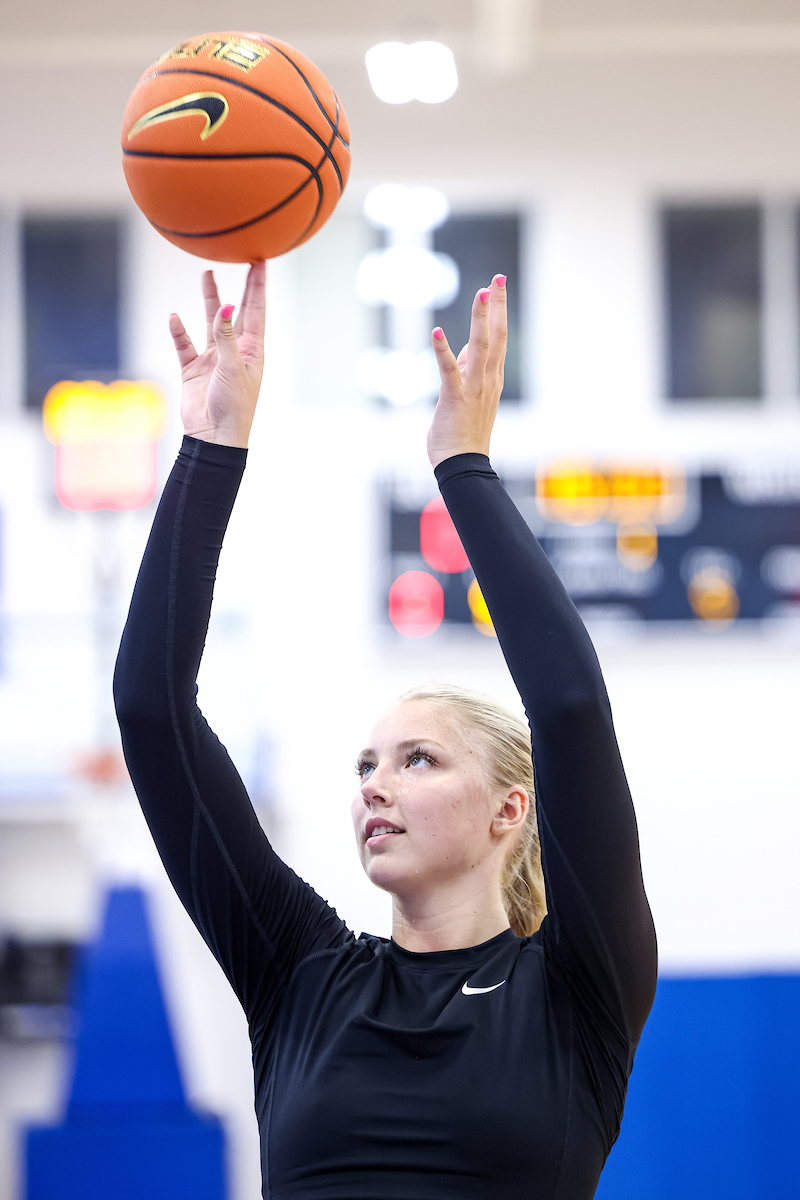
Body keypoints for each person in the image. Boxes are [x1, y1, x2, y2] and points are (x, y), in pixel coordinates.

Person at [114, 262, 657, 1200]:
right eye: (367, 764)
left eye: (417, 760)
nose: (374, 783)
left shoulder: (578, 992)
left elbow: (569, 708)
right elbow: (150, 710)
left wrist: (464, 467)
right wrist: (210, 447)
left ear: (509, 809)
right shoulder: (298, 973)